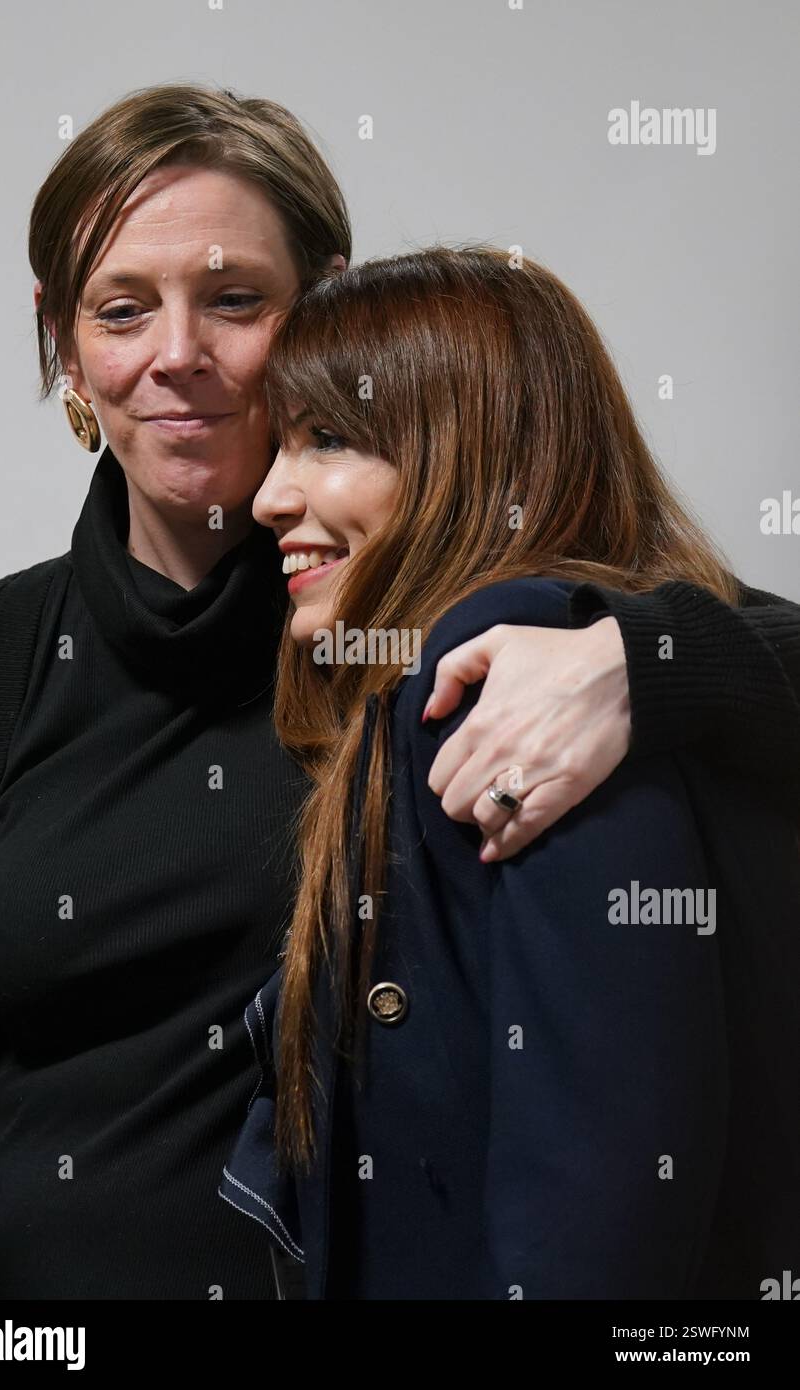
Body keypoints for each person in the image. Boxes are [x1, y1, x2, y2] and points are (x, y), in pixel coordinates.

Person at [0, 83, 798, 1301]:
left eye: (234, 300)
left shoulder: (409, 621)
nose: (176, 354)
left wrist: (641, 660)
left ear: (322, 305)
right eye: (121, 309)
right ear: (63, 344)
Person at [221, 245, 800, 1300]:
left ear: (473, 454)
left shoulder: (504, 655)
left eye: (328, 440)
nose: (268, 495)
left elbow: (599, 1188)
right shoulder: (577, 650)